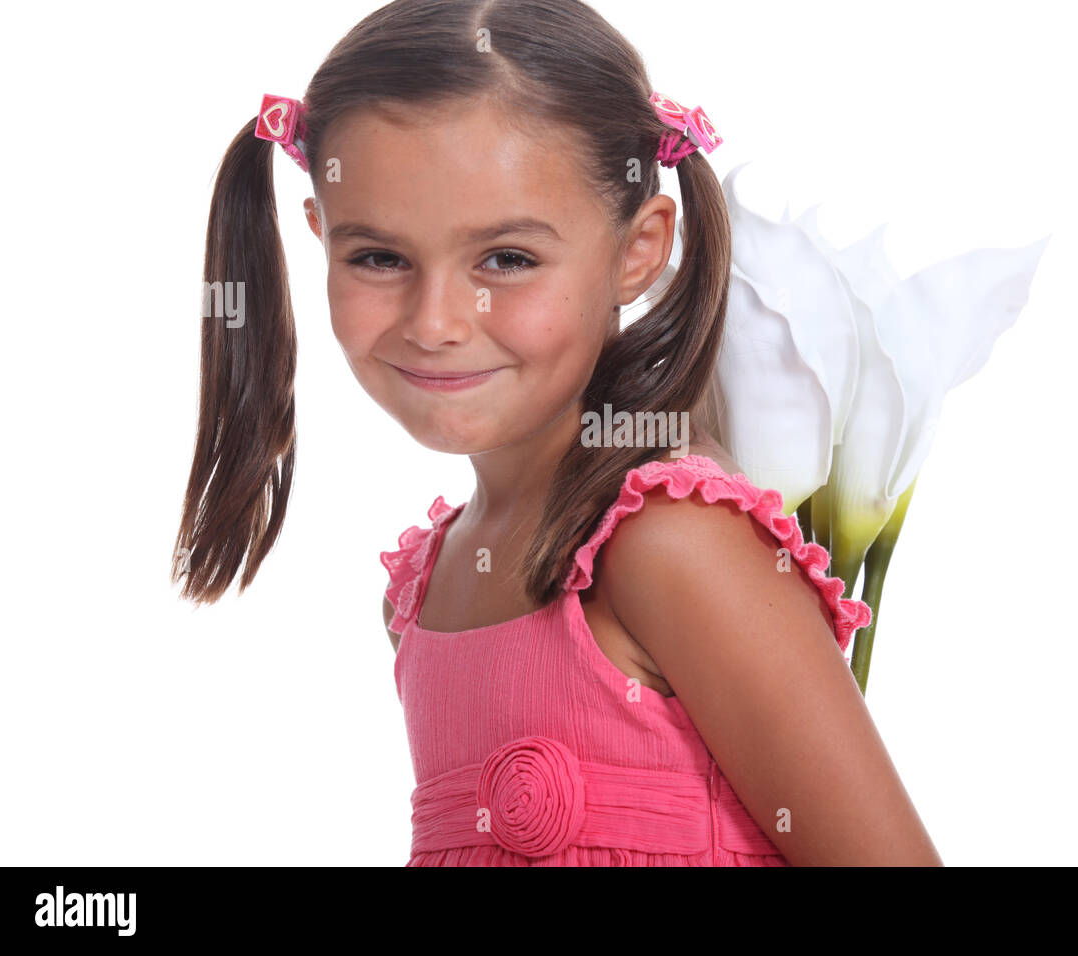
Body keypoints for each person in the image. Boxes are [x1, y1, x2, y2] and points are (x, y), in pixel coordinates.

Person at [174, 0, 942, 867]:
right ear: (320, 236)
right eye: (379, 258)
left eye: (507, 259)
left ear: (639, 250)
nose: (436, 322)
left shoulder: (669, 542)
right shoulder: (422, 593)